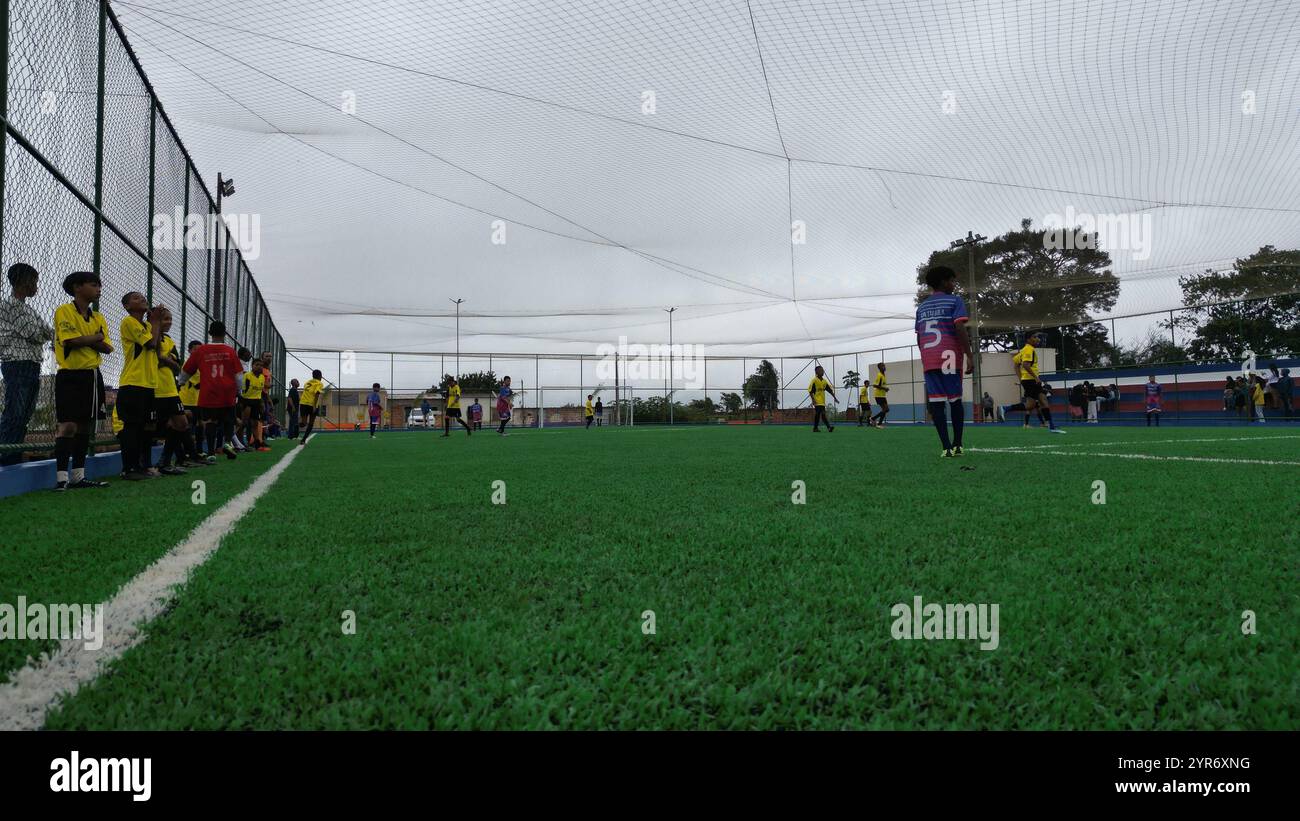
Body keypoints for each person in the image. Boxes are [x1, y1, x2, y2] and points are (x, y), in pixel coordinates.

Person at [51, 272, 113, 490]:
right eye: (94, 284)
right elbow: (71, 341)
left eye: (99, 285)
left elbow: (107, 347)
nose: (98, 289)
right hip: (69, 374)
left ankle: (78, 476)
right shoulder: (64, 311)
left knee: (86, 425)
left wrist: (87, 340)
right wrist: (95, 338)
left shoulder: (98, 317)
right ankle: (61, 479)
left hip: (92, 375)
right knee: (68, 425)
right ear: (77, 287)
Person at [915, 265, 974, 456]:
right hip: (949, 356)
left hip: (930, 360)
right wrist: (969, 355)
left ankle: (945, 448)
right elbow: (959, 328)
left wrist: (925, 357)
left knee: (937, 403)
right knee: (955, 400)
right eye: (952, 280)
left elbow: (919, 337)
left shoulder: (921, 307)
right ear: (943, 281)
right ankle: (958, 445)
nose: (954, 284)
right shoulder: (954, 301)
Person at [0, 263, 54, 466]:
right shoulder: (10, 305)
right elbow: (34, 333)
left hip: (31, 363)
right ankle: (5, 457)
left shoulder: (27, 308)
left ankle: (12, 457)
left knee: (24, 414)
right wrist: (43, 334)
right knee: (15, 412)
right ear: (24, 281)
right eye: (34, 281)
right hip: (17, 362)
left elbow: (48, 332)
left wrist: (43, 334)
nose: (36, 286)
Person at [116, 291, 163, 480]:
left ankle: (143, 466)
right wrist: (156, 322)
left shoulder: (146, 325)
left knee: (147, 427)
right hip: (133, 382)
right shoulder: (129, 322)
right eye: (136, 298)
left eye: (143, 297)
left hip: (148, 383)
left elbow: (157, 348)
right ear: (127, 306)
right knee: (132, 426)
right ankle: (129, 468)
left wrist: (154, 324)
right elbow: (151, 343)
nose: (142, 299)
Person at [180, 321, 243, 460]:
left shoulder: (201, 351)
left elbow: (186, 370)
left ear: (210, 333)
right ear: (224, 334)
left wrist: (181, 382)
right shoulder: (230, 351)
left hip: (208, 391)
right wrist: (239, 390)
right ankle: (227, 444)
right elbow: (238, 375)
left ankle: (210, 452)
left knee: (210, 421)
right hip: (227, 392)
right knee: (228, 420)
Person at [153, 308, 198, 473]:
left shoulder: (169, 341)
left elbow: (177, 368)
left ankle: (165, 461)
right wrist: (165, 360)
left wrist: (165, 360)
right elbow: (155, 359)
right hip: (153, 388)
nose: (169, 322)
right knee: (150, 428)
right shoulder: (149, 336)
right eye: (165, 319)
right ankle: (141, 465)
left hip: (170, 390)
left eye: (170, 319)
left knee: (181, 423)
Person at [1001, 333, 1064, 433]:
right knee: (1031, 405)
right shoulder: (1029, 349)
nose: (1037, 339)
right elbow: (1025, 365)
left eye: (1037, 337)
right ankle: (1005, 408)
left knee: (1043, 400)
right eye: (1034, 337)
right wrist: (1035, 377)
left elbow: (1016, 364)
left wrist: (1021, 378)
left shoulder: (1023, 350)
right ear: (1028, 339)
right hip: (1031, 380)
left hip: (1028, 380)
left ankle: (1051, 426)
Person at [178, 340, 210, 462]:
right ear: (189, 350)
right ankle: (188, 451)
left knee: (200, 424)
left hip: (197, 400)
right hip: (187, 399)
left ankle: (199, 450)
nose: (198, 352)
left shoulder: (202, 364)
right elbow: (198, 384)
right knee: (187, 425)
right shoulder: (189, 364)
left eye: (200, 349)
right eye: (195, 349)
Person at [239, 359, 270, 451]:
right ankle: (238, 443)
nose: (259, 367)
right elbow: (242, 390)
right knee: (243, 423)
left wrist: (261, 403)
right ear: (252, 366)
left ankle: (257, 443)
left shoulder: (261, 377)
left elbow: (259, 391)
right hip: (247, 401)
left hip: (256, 402)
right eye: (257, 365)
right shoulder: (247, 376)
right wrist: (242, 403)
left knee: (255, 423)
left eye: (261, 365)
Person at [807, 364, 837, 432]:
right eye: (821, 370)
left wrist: (835, 398)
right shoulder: (814, 380)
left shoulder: (824, 381)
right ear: (816, 372)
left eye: (823, 370)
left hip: (822, 401)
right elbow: (810, 391)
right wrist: (813, 400)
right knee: (819, 413)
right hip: (817, 401)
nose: (823, 371)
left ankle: (816, 428)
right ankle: (827, 427)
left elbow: (829, 390)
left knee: (822, 414)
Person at [299, 370, 326, 443]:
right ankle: (303, 439)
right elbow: (317, 394)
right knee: (311, 423)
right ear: (320, 376)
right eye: (321, 376)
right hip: (311, 405)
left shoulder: (307, 382)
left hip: (303, 403)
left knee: (303, 423)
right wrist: (314, 406)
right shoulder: (319, 383)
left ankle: (295, 426)